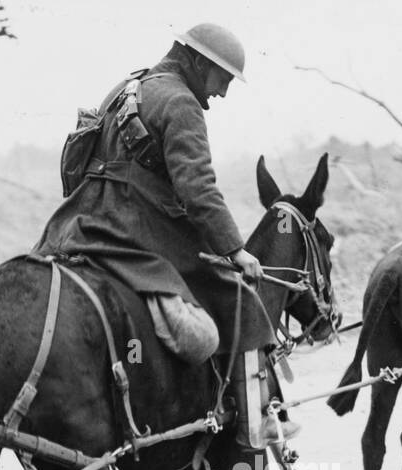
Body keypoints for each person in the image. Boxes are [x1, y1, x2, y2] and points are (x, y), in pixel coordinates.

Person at [35, 23, 296, 446]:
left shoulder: (126, 88)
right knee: (241, 297)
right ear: (197, 62)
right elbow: (198, 190)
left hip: (77, 226)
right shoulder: (181, 102)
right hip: (134, 233)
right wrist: (236, 251)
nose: (223, 93)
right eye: (223, 78)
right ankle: (259, 423)